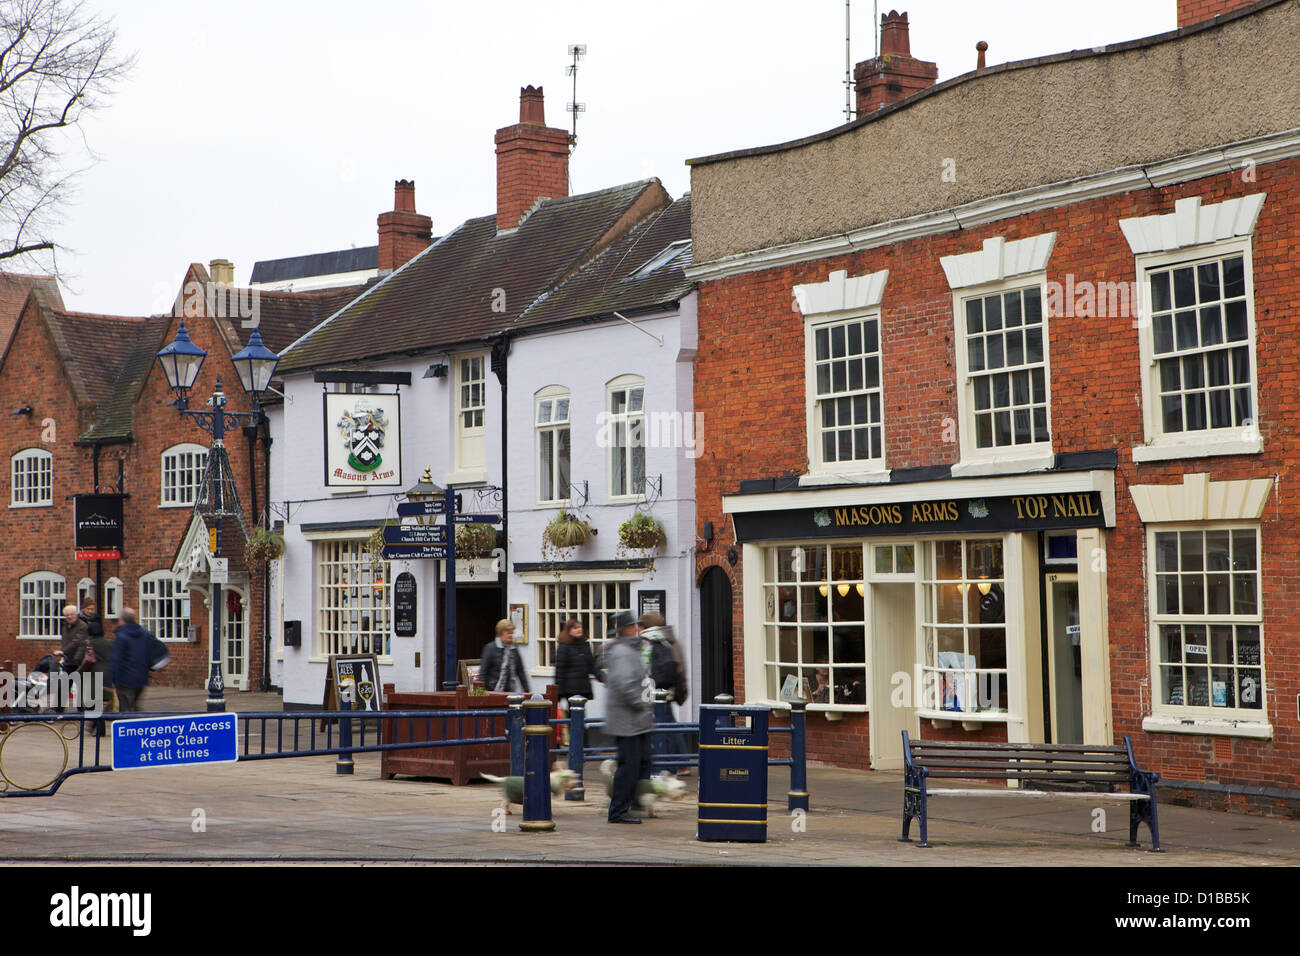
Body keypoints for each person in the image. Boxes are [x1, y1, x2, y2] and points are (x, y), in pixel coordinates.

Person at [603, 610, 653, 824]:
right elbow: (625, 684)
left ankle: (633, 802)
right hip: (627, 720)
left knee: (641, 763)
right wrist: (641, 703)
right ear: (625, 629)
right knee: (628, 767)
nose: (638, 628)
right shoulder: (623, 652)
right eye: (634, 625)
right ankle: (618, 810)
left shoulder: (630, 649)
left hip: (635, 720)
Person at [639, 612, 690, 774]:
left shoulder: (651, 641)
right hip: (668, 689)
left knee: (663, 728)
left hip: (656, 691)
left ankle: (667, 765)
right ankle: (681, 762)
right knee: (670, 726)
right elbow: (679, 667)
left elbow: (644, 668)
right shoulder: (669, 640)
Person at [555, 618, 600, 745]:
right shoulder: (564, 647)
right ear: (569, 631)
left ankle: (581, 746)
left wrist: (603, 677)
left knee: (579, 718)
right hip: (570, 690)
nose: (579, 630)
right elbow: (560, 670)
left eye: (580, 627)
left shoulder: (584, 645)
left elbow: (591, 666)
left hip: (582, 688)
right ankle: (581, 747)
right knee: (577, 719)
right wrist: (558, 693)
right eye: (575, 628)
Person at [110, 608, 165, 713]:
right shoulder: (144, 633)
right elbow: (155, 648)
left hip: (124, 679)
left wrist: (112, 678)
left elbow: (116, 659)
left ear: (122, 620)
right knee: (133, 706)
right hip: (141, 678)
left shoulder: (121, 636)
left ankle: (131, 721)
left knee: (126, 709)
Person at [479, 619, 530, 694]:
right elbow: (483, 673)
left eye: (511, 633)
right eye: (508, 633)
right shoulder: (490, 648)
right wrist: (481, 693)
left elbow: (521, 672)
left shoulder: (514, 649)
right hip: (492, 692)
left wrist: (527, 691)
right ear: (500, 633)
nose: (510, 635)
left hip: (510, 693)